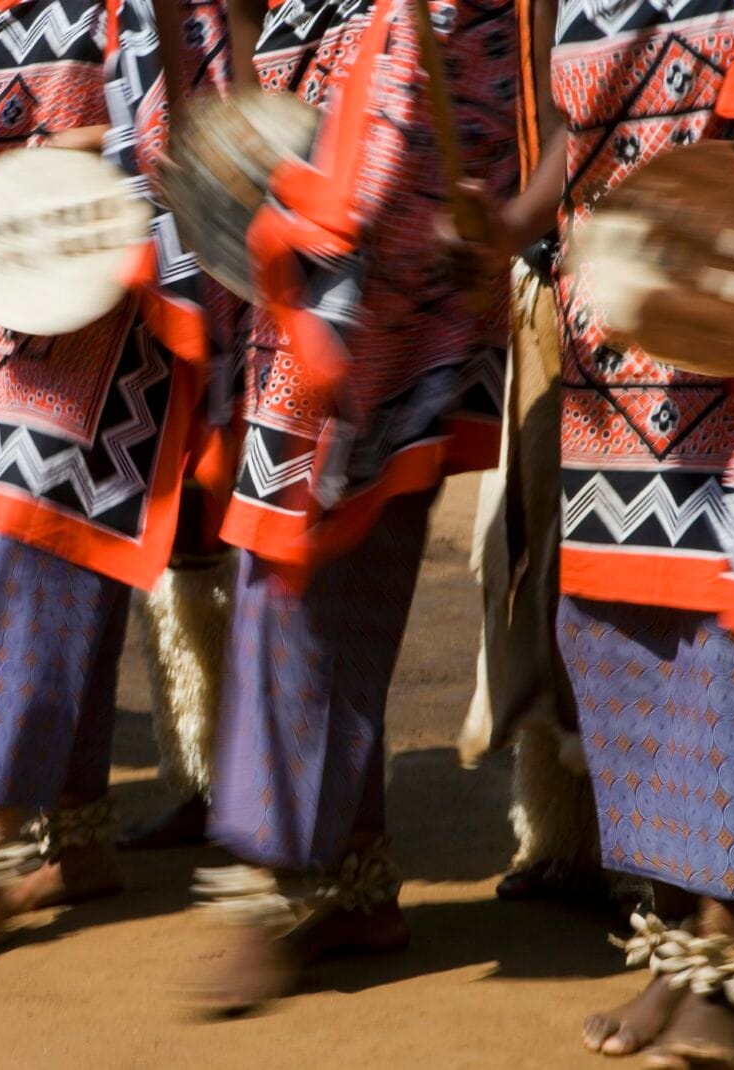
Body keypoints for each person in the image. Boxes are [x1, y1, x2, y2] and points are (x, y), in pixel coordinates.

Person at [455, 0, 734, 1062]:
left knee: (733, 649)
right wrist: (510, 222)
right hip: (613, 352)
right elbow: (571, 143)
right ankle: (675, 946)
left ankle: (728, 949)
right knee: (627, 649)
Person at [187, 0, 515, 1010]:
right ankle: (351, 875)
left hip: (394, 300)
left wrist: (502, 225)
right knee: (310, 586)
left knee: (304, 583)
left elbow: (500, 99)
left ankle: (277, 882)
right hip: (310, 293)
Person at [0, 0, 212, 957]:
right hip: (3, 300)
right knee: (49, 556)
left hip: (101, 299)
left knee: (12, 550)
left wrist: (54, 162)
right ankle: (73, 837)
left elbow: (177, 115)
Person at [452, 0, 621, 909]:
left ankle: (664, 859)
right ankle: (565, 836)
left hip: (640, 278)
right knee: (525, 562)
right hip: (550, 285)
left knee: (617, 573)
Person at [102, 0, 243, 852]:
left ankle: (263, 785)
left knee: (235, 502)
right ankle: (199, 774)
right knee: (184, 516)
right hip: (152, 232)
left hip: (231, 214)